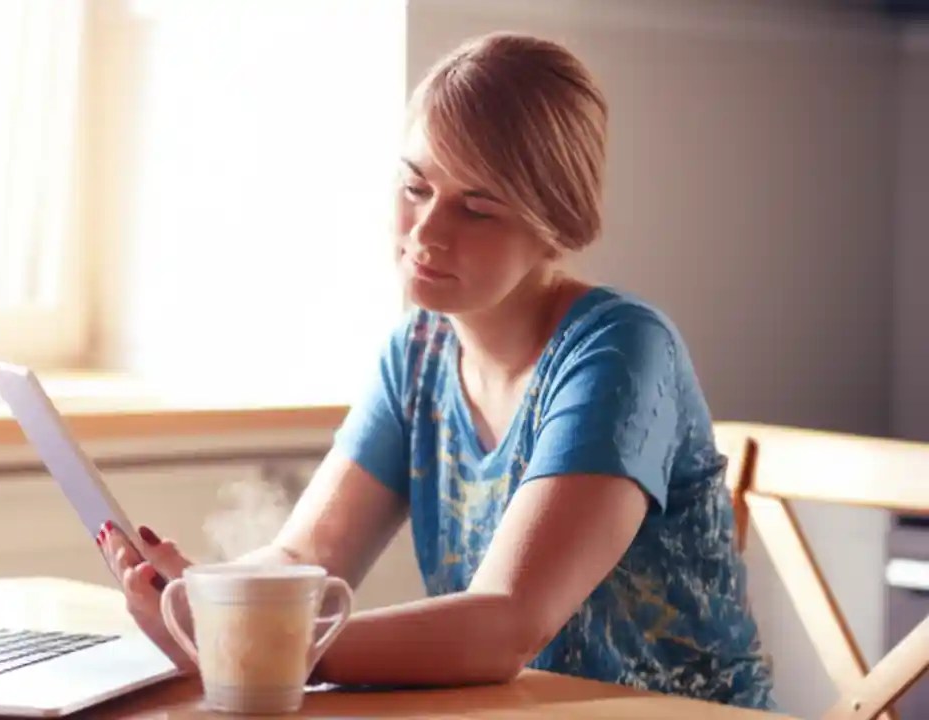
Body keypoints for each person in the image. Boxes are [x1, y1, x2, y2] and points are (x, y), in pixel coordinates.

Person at [98, 31, 775, 710]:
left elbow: (507, 621)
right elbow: (303, 558)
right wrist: (202, 595)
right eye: (415, 186)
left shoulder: (620, 350)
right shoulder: (417, 353)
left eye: (476, 208)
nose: (425, 233)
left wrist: (256, 642)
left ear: (555, 222)